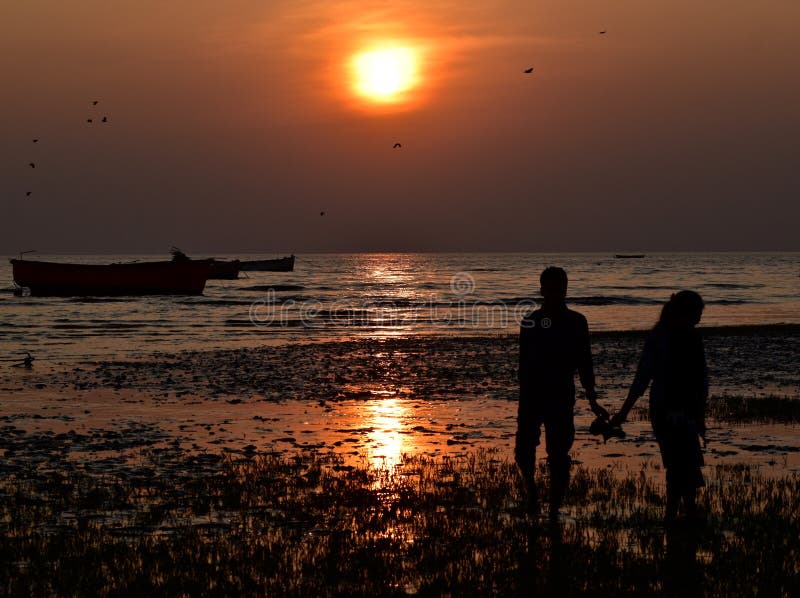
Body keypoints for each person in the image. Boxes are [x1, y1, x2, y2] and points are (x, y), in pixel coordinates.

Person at [516, 266, 608, 519]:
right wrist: (524, 397)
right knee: (525, 448)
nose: (556, 292)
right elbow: (524, 363)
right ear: (543, 290)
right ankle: (532, 491)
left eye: (560, 287)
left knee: (558, 451)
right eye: (552, 287)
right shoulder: (531, 321)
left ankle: (554, 505)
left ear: (565, 289)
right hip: (534, 393)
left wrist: (592, 398)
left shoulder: (576, 322)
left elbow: (584, 361)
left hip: (559, 392)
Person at [611, 290, 708, 525]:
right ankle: (675, 512)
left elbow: (700, 379)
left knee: (688, 461)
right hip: (665, 408)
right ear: (683, 313)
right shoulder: (661, 337)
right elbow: (643, 377)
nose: (699, 319)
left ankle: (686, 510)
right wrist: (624, 411)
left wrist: (700, 415)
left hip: (686, 408)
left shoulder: (692, 338)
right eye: (696, 313)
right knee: (678, 462)